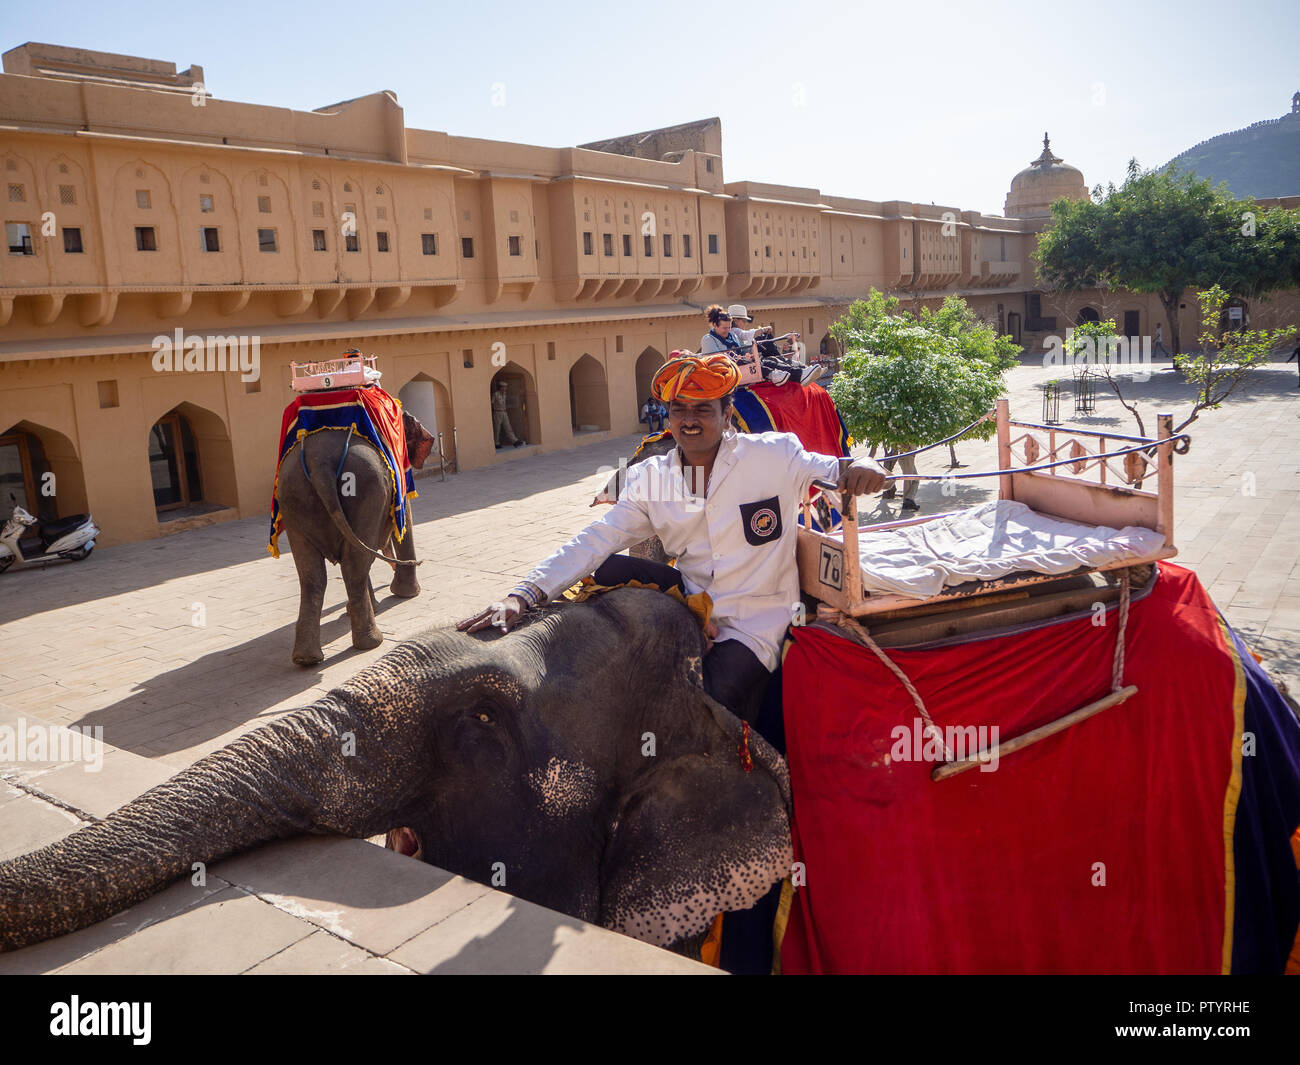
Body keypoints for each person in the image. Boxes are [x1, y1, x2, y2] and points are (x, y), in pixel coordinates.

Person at [458, 352, 889, 721]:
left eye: (703, 409)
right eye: (679, 409)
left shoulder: (774, 456)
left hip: (759, 616)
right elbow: (595, 538)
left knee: (708, 698)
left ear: (726, 412)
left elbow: (835, 469)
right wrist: (523, 594)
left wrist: (865, 470)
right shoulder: (652, 477)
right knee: (602, 566)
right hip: (694, 596)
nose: (689, 420)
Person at [700, 304, 822, 387]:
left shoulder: (733, 336)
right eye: (724, 328)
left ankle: (799, 371)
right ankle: (783, 374)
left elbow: (741, 352)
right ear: (715, 326)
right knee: (762, 363)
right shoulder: (708, 340)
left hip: (741, 366)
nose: (727, 330)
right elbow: (717, 361)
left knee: (769, 360)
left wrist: (746, 356)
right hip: (727, 372)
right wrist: (742, 358)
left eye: (729, 327)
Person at [492, 380, 524, 449]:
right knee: (497, 429)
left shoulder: (504, 394)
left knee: (508, 427)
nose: (505, 388)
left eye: (505, 387)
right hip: (497, 412)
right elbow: (491, 403)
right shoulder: (495, 394)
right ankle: (496, 443)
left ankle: (515, 441)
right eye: (504, 387)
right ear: (500, 387)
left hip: (504, 412)